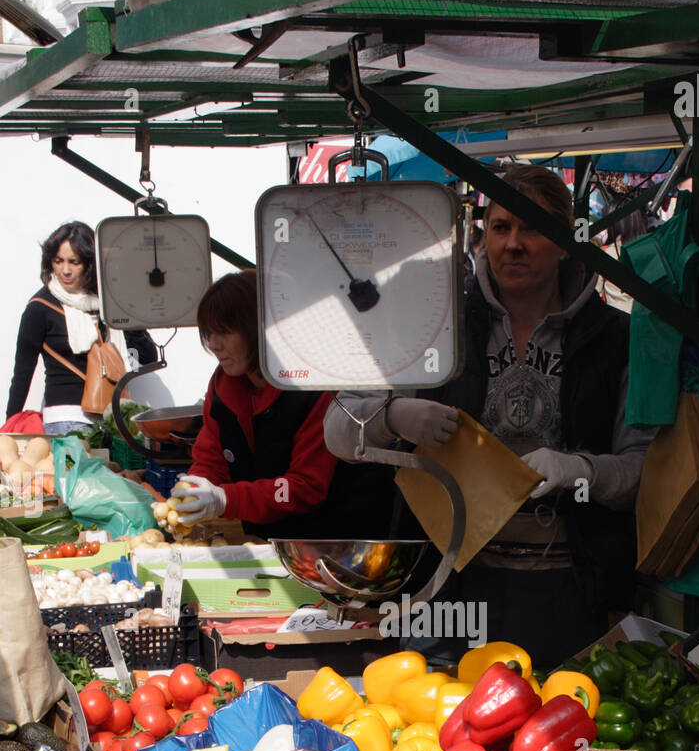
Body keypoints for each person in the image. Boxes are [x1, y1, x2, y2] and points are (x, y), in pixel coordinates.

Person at [324, 164, 653, 670]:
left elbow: (643, 470)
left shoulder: (616, 340)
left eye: (532, 228)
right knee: (440, 731)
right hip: (449, 588)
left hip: (570, 590)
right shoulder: (438, 324)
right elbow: (338, 431)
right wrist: (395, 416)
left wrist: (583, 471)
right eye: (501, 227)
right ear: (484, 237)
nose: (513, 244)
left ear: (566, 243)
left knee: (556, 723)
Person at [175, 269, 394, 538]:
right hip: (264, 541)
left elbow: (305, 487)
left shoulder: (314, 387)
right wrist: (194, 489)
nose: (213, 343)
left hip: (334, 539)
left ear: (258, 329)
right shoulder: (223, 386)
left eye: (224, 331)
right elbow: (211, 458)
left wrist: (227, 499)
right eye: (208, 332)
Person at [6, 221, 157, 434]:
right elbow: (22, 373)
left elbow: (148, 358)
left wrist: (126, 315)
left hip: (112, 421)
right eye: (58, 261)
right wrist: (8, 429)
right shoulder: (40, 308)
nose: (65, 270)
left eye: (73, 262)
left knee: (116, 469)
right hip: (66, 423)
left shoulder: (108, 302)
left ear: (89, 263)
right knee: (71, 467)